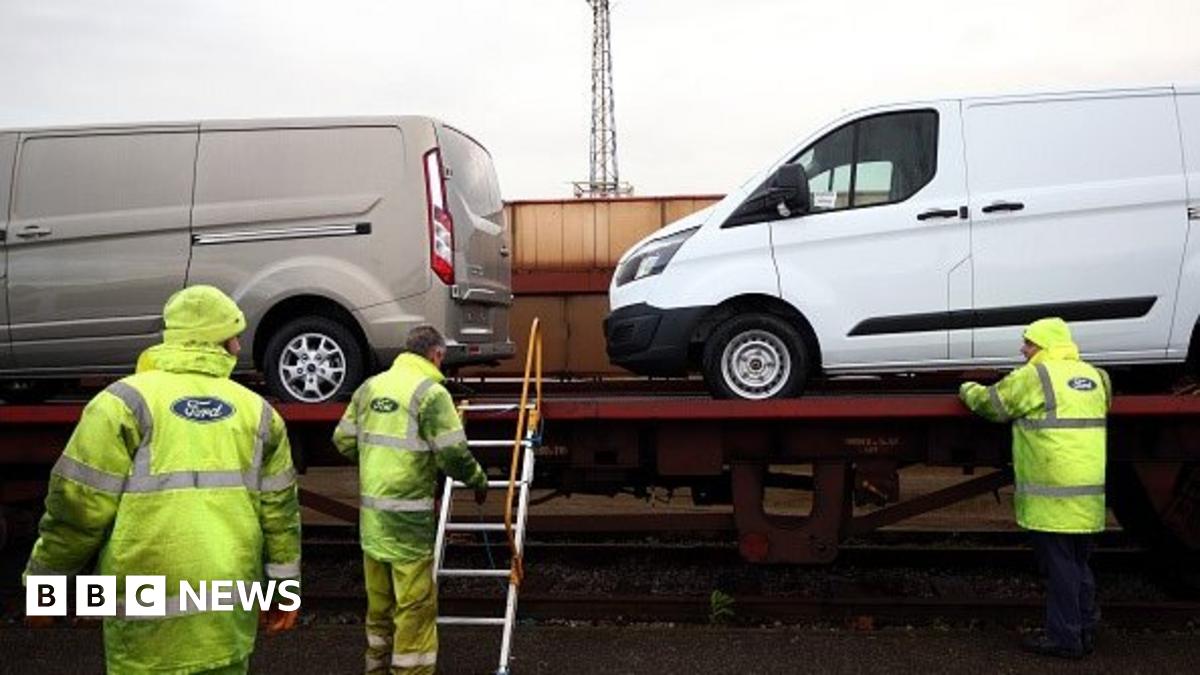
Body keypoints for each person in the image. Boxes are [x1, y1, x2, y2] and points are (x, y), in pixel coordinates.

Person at [24, 285, 302, 673]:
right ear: (224, 340)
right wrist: (284, 591)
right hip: (226, 611)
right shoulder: (258, 413)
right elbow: (280, 516)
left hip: (144, 620)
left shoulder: (122, 402)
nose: (240, 345)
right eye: (235, 334)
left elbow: (78, 506)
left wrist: (45, 589)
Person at [333, 325, 489, 675]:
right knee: (414, 609)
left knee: (379, 607)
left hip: (372, 524)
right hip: (408, 524)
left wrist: (377, 460)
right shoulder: (431, 394)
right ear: (436, 355)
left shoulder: (369, 387)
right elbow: (454, 456)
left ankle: (375, 668)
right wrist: (479, 480)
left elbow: (343, 441)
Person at [959, 317, 1110, 659]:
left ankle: (1065, 638)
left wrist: (966, 388)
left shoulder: (1037, 376)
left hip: (1052, 493)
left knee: (1060, 568)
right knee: (1077, 563)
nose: (1022, 349)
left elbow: (993, 404)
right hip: (1086, 492)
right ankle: (1084, 629)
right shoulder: (1097, 377)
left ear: (1044, 345)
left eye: (1028, 343)